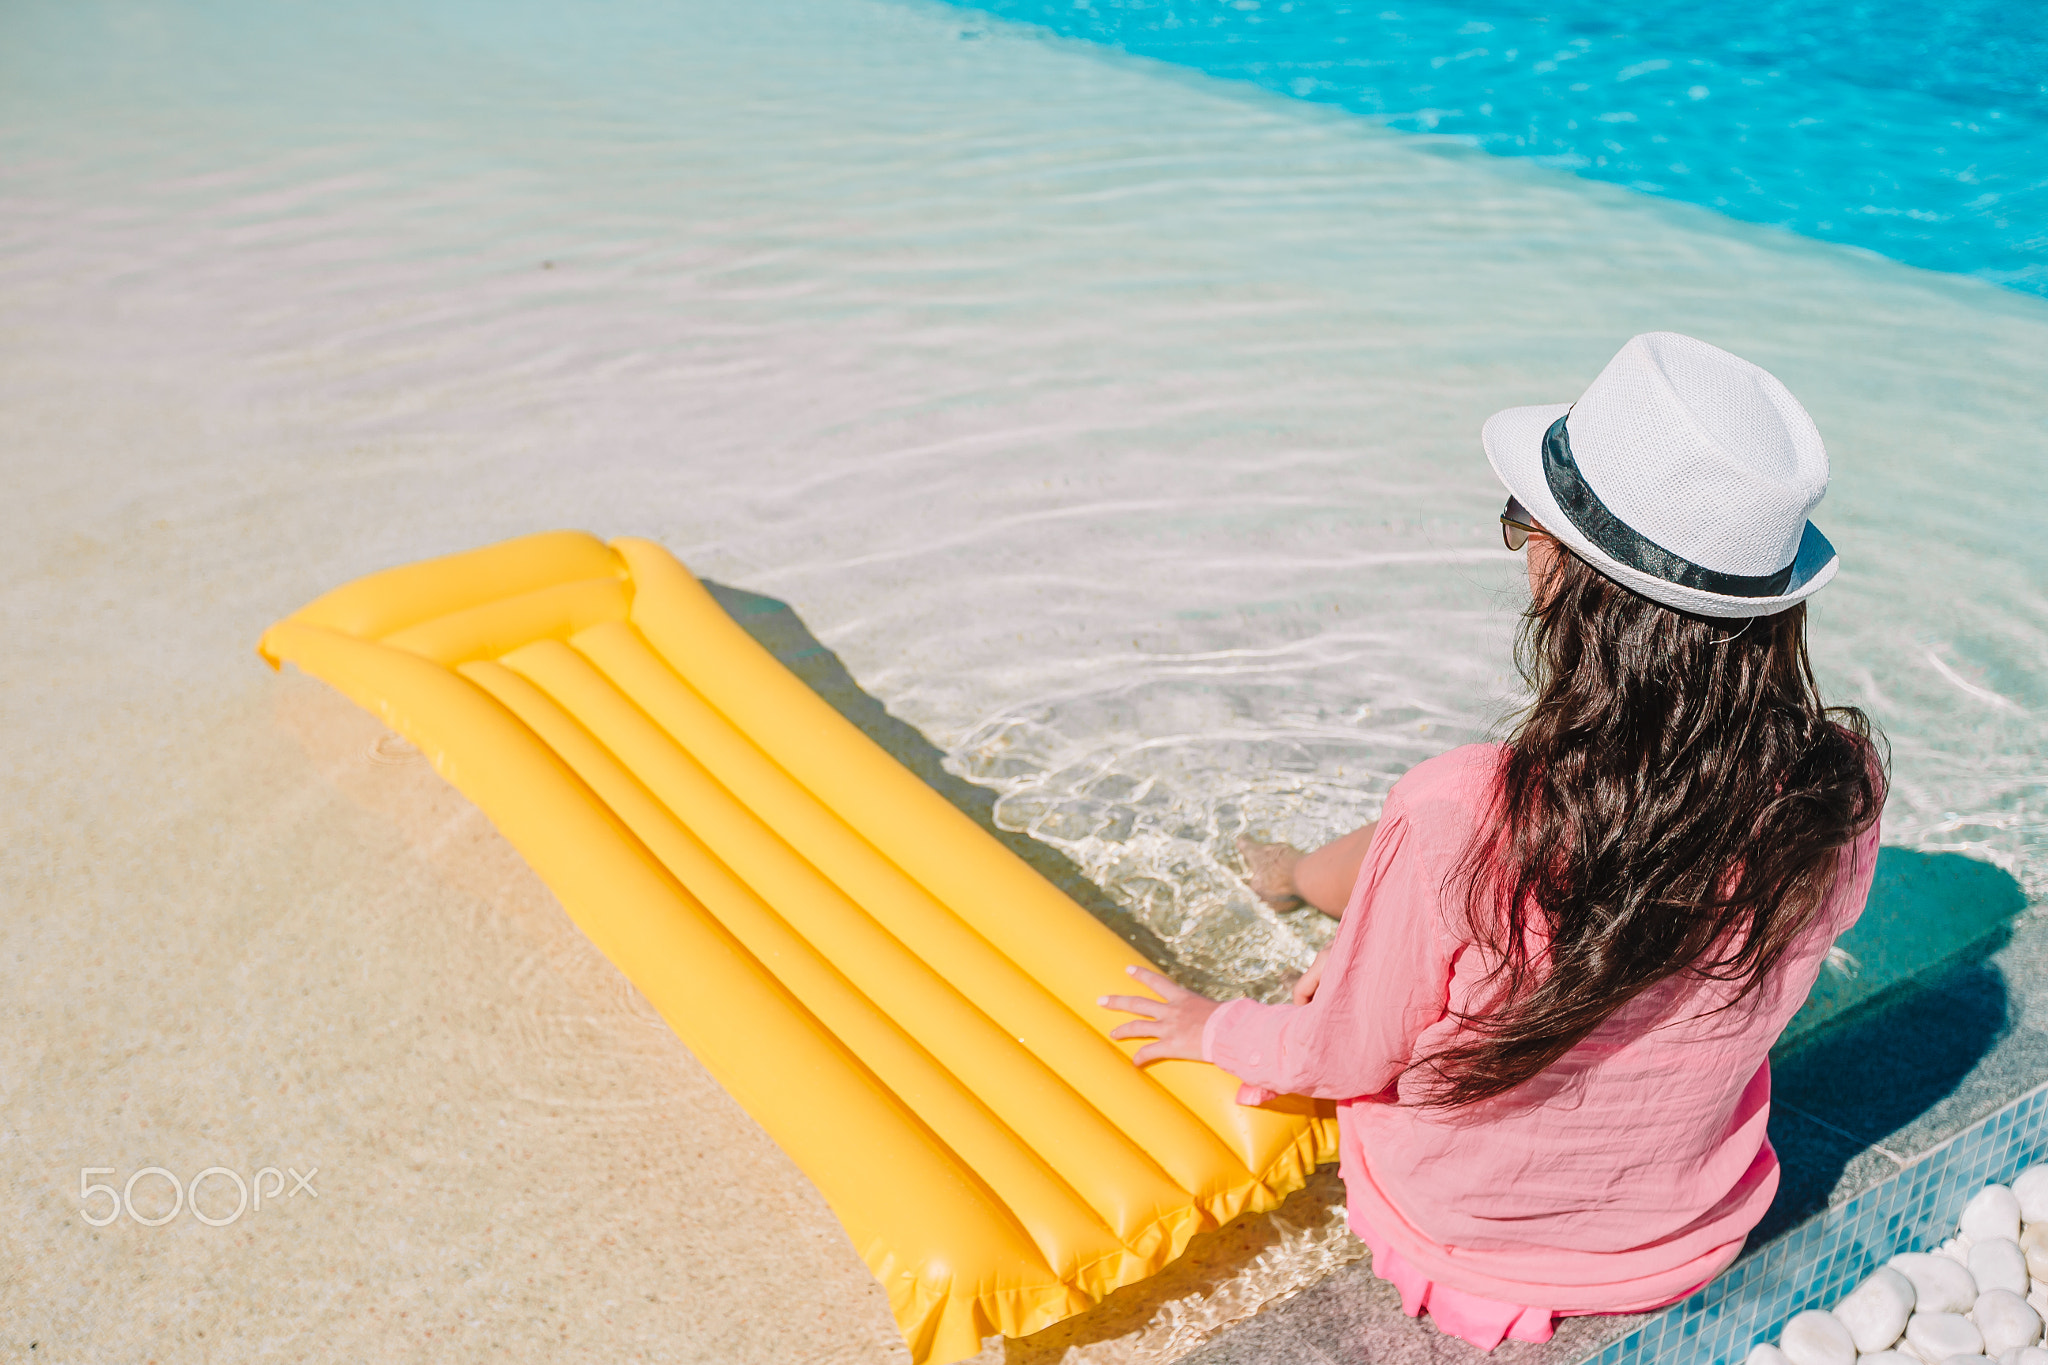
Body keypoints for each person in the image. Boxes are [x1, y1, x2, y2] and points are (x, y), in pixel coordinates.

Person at [1100, 332, 1886, 1351]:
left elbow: (1346, 1056)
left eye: (1525, 523)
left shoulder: (1464, 811)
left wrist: (1212, 1029)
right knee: (1447, 876)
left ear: (1563, 575)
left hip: (1467, 1247)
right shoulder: (1838, 793)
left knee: (1421, 852)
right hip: (1690, 1229)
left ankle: (1293, 883)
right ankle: (1311, 890)